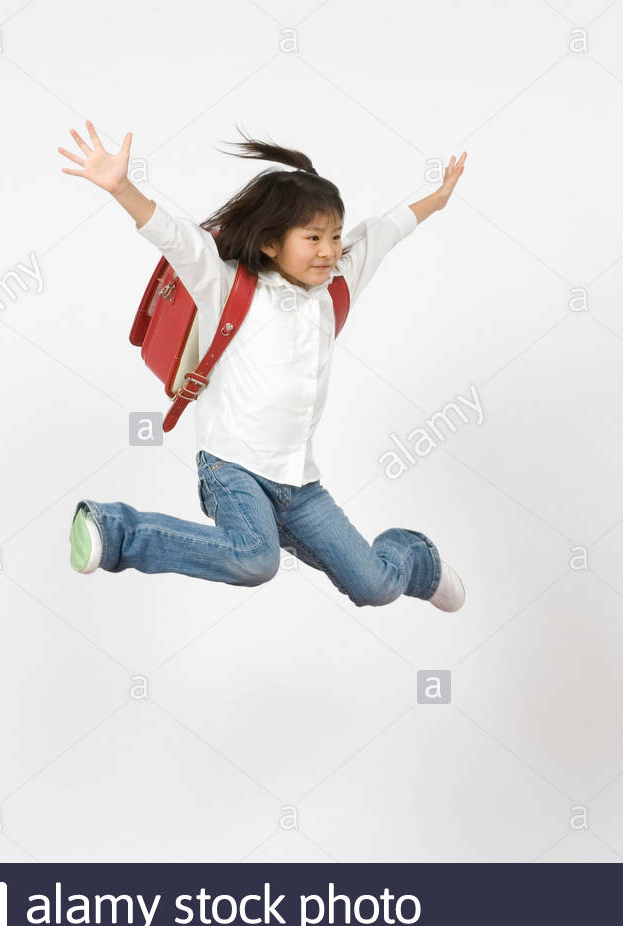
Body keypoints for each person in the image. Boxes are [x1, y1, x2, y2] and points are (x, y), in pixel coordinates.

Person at [57, 120, 466, 612]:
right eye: (312, 237)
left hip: (299, 483)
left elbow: (384, 232)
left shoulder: (336, 286)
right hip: (232, 466)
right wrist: (122, 188)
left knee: (374, 587)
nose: (329, 250)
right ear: (272, 242)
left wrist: (437, 199)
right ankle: (114, 530)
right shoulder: (227, 285)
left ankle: (418, 561)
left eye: (335, 236)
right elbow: (177, 239)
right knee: (255, 559)